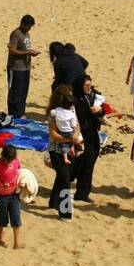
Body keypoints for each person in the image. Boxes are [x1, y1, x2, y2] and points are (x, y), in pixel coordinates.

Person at [47, 85, 79, 219]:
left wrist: (75, 136)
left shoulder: (71, 109)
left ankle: (53, 202)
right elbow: (53, 134)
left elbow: (77, 126)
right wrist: (69, 139)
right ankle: (65, 212)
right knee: (65, 180)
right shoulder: (54, 114)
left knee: (62, 176)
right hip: (56, 150)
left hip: (70, 147)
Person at [71, 74, 104, 203]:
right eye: (86, 85)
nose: (89, 87)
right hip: (80, 133)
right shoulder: (75, 98)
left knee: (89, 163)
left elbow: (104, 109)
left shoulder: (94, 95)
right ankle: (81, 192)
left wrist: (99, 110)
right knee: (83, 163)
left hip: (92, 132)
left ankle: (83, 192)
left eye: (90, 84)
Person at [6, 15, 37, 119]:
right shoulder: (16, 34)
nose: (29, 29)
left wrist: (30, 52)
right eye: (28, 26)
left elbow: (24, 48)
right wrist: (27, 52)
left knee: (23, 91)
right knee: (15, 91)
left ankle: (20, 112)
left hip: (25, 67)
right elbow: (12, 50)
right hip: (16, 68)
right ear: (23, 24)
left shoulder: (26, 33)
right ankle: (14, 114)